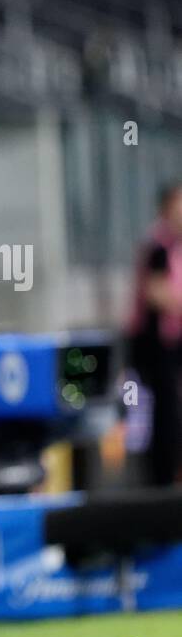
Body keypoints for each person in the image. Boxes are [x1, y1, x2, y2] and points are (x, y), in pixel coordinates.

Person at [126, 183, 182, 487]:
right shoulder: (158, 245)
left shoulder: (172, 245)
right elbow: (156, 293)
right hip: (154, 346)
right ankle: (160, 481)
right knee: (162, 414)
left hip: (170, 343)